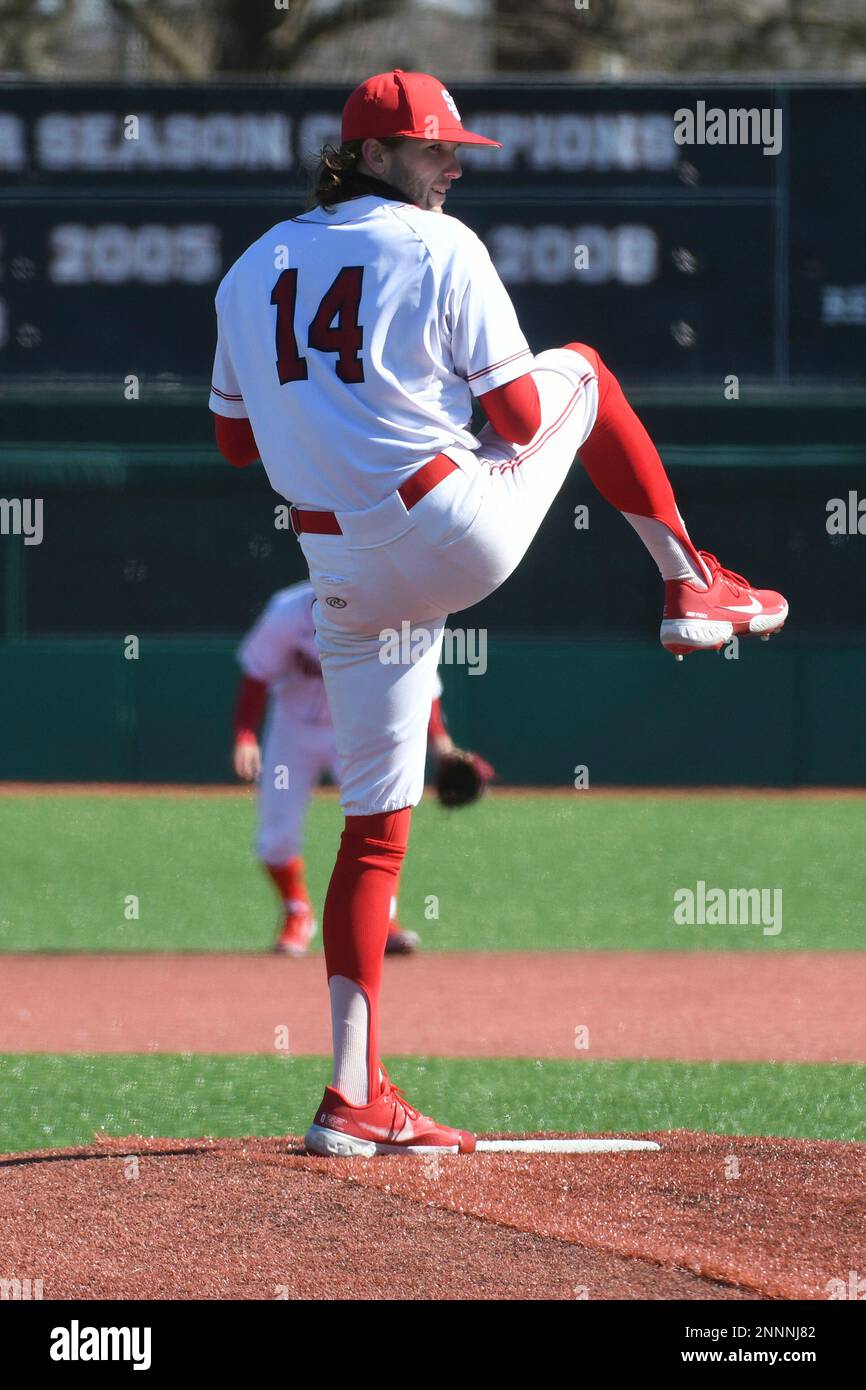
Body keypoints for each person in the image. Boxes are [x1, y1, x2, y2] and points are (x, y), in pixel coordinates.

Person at [210, 69, 788, 1157]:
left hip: (340, 567)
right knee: (584, 370)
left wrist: (339, 412)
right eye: (433, 150)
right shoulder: (441, 248)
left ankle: (351, 1094)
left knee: (372, 831)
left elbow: (235, 443)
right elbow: (522, 418)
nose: (450, 166)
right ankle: (688, 576)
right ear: (371, 155)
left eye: (454, 150)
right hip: (447, 526)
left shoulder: (250, 268)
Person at [232, 577, 469, 957]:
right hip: (293, 731)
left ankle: (384, 920)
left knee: (380, 823)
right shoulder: (287, 610)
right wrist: (245, 734)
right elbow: (256, 675)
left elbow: (418, 683)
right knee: (276, 835)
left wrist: (441, 743)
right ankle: (297, 913)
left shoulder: (389, 610)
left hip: (360, 731)